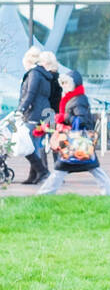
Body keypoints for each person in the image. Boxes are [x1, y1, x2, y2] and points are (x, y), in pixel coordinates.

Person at [36, 69, 110, 196]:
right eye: (62, 83)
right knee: (92, 168)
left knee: (62, 169)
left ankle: (44, 194)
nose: (63, 86)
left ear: (74, 84)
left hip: (76, 141)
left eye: (66, 83)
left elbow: (82, 120)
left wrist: (64, 117)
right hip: (78, 142)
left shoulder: (78, 100)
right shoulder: (73, 98)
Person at [17, 47, 52, 186]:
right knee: (34, 145)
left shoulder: (34, 74)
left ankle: (42, 171)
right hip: (42, 113)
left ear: (28, 61)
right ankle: (34, 175)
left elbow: (30, 94)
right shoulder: (43, 74)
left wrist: (21, 109)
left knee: (26, 144)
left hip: (33, 114)